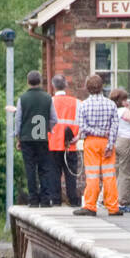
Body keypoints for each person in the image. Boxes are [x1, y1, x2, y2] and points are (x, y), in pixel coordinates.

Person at [75, 74, 119, 215]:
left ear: (87, 88)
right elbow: (115, 126)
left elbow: (82, 127)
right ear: (102, 87)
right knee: (109, 175)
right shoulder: (111, 104)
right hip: (107, 142)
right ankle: (113, 207)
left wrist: (96, 133)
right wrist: (110, 143)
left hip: (91, 142)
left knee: (92, 175)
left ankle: (90, 206)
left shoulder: (84, 105)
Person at [14, 69, 57, 207]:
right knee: (44, 168)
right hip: (42, 138)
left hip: (27, 138)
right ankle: (45, 199)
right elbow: (54, 119)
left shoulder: (22, 98)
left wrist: (18, 138)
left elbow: (18, 120)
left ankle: (33, 199)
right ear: (40, 82)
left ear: (28, 82)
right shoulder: (47, 98)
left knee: (30, 168)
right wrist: (47, 129)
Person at [47, 73, 80, 208]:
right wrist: (77, 138)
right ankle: (73, 201)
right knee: (71, 176)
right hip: (70, 145)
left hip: (53, 144)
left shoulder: (49, 102)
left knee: (54, 174)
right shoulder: (77, 103)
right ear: (66, 85)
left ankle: (56, 201)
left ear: (53, 86)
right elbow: (82, 123)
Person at [109, 87, 130, 211]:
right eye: (125, 99)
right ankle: (124, 201)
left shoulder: (112, 111)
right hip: (127, 141)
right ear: (121, 100)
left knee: (116, 172)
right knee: (126, 172)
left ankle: (112, 199)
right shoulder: (125, 111)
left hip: (116, 141)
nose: (127, 101)